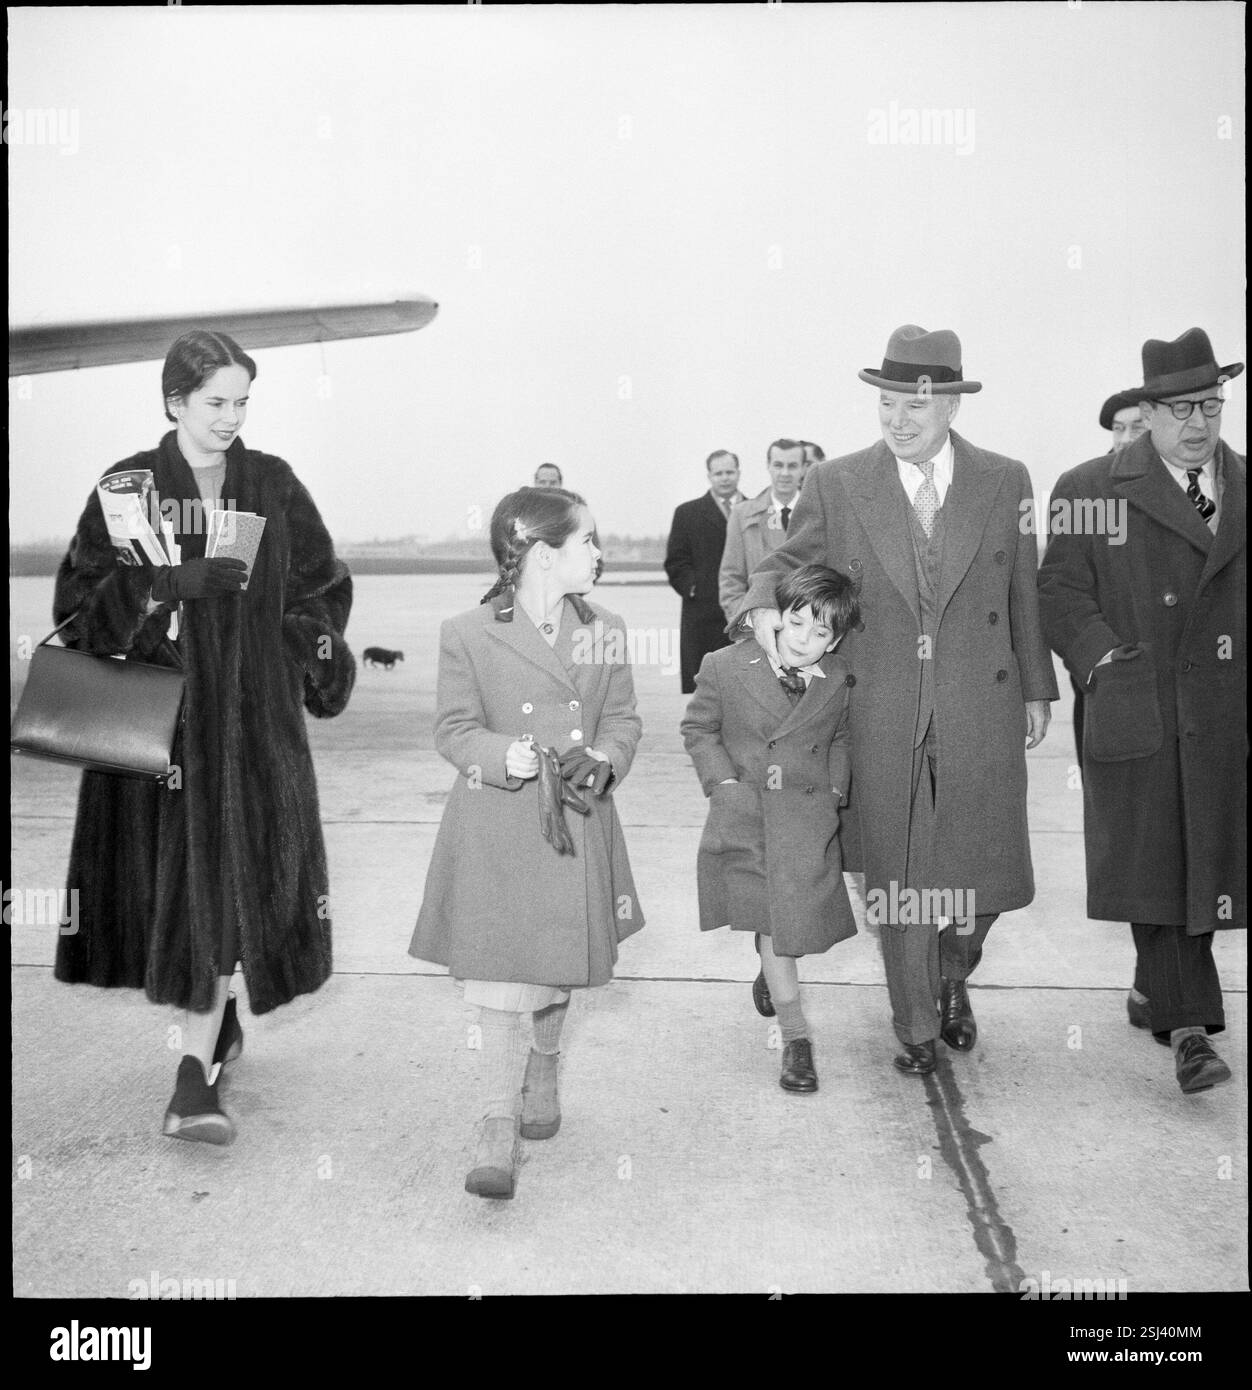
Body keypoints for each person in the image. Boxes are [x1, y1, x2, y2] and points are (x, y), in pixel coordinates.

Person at [53, 329, 356, 1144]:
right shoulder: (129, 487)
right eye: (215, 402)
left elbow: (324, 587)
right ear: (175, 401)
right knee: (185, 906)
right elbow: (77, 616)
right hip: (164, 743)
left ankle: (193, 1082)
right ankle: (209, 1034)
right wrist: (160, 587)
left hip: (254, 736)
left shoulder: (272, 484)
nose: (231, 417)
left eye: (242, 401)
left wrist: (297, 648)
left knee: (226, 900)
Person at [740, 325, 1056, 1075]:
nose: (898, 419)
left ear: (949, 404)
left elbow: (1023, 591)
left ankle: (955, 965)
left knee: (989, 873)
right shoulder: (839, 483)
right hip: (880, 706)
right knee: (899, 874)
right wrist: (760, 612)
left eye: (914, 404)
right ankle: (915, 1024)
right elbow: (784, 564)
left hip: (982, 701)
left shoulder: (1005, 479)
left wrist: (1039, 687)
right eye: (886, 403)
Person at [409, 486, 645, 1198]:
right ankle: (493, 1120)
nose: (600, 555)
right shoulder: (469, 631)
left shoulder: (606, 628)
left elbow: (625, 721)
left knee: (553, 963)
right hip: (497, 825)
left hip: (574, 819)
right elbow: (452, 727)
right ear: (545, 555)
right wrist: (495, 753)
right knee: (497, 974)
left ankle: (544, 1062)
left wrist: (605, 759)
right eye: (588, 543)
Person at [1038, 327, 1245, 1095]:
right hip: (1136, 705)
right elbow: (1057, 591)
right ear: (1149, 411)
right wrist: (1100, 661)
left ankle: (1154, 990)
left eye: (1213, 405)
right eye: (1183, 408)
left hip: (1223, 715)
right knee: (1159, 858)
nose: (1199, 423)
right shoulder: (1091, 489)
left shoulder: (1247, 486)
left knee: (1206, 863)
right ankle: (1191, 1029)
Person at [682, 565, 860, 1094]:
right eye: (798, 623)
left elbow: (843, 739)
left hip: (807, 826)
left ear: (837, 639)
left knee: (795, 926)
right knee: (777, 931)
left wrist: (834, 793)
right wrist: (723, 785)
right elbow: (699, 728)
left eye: (821, 633)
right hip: (749, 818)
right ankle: (797, 1039)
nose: (804, 640)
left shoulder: (838, 680)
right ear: (778, 616)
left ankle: (770, 967)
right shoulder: (726, 665)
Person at [1071, 388, 1152, 772]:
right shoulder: (1089, 493)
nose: (1125, 437)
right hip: (1107, 674)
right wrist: (1101, 657)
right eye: (1119, 428)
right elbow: (1065, 588)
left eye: (1137, 426)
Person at [665, 449, 745, 692]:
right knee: (704, 687)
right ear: (709, 476)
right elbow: (676, 560)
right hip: (702, 612)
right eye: (718, 473)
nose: (725, 478)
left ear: (739, 473)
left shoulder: (756, 510)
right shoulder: (687, 513)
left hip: (745, 608)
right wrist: (693, 587)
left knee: (745, 683)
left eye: (729, 472)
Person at [719, 439, 807, 627]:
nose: (784, 473)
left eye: (792, 466)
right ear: (768, 466)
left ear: (803, 468)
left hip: (807, 633)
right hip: (758, 629)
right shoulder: (742, 515)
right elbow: (731, 580)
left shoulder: (818, 513)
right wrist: (750, 625)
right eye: (778, 465)